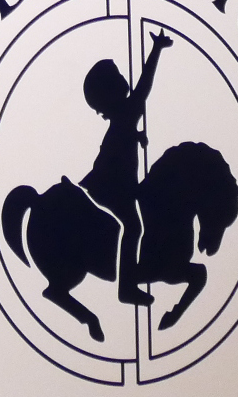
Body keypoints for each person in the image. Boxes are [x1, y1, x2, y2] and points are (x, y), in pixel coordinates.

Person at [81, 31, 173, 304]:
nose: (125, 79)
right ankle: (127, 287)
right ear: (109, 92)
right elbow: (145, 86)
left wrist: (135, 137)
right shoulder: (126, 112)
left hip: (116, 183)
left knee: (137, 222)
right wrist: (156, 49)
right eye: (118, 77)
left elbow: (121, 139)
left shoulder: (124, 117)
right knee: (133, 228)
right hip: (111, 186)